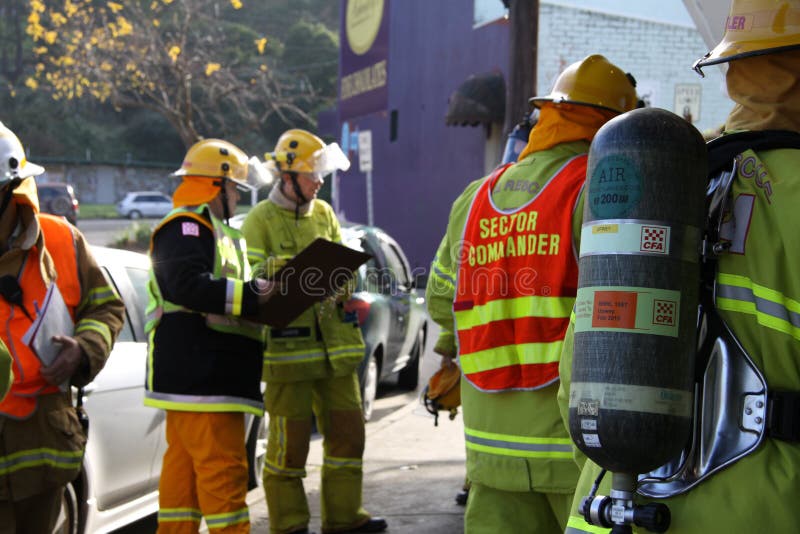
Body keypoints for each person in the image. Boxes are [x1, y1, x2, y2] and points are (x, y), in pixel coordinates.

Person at [560, 1, 800, 532]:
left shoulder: (659, 170)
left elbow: (576, 374)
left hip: (611, 506)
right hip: (757, 510)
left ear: (735, 69)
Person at [425, 55, 638, 533]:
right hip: (576, 454)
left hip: (488, 452)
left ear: (549, 117)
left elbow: (440, 301)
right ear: (613, 125)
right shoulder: (599, 190)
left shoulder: (475, 198)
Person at [240, 128, 387, 534]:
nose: (319, 182)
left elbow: (342, 273)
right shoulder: (259, 221)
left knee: (348, 439)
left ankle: (344, 518)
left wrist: (340, 277)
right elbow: (251, 281)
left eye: (320, 174)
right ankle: (289, 525)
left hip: (337, 353)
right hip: (288, 359)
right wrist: (297, 268)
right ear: (286, 177)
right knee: (289, 450)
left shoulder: (323, 213)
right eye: (311, 174)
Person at [144, 138, 274, 533]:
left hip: (201, 378)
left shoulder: (207, 230)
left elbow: (215, 293)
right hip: (204, 379)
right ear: (215, 185)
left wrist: (259, 297)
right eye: (235, 187)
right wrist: (256, 295)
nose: (237, 195)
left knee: (182, 484)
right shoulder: (188, 226)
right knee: (224, 477)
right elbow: (186, 286)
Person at [0, 121, 125, 532]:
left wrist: (84, 348)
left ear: (9, 189)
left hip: (44, 446)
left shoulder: (61, 241)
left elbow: (106, 306)